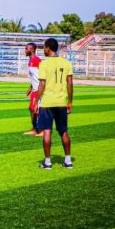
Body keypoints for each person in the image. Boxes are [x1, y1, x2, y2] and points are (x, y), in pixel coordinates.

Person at [36, 38, 73, 169]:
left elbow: (42, 84)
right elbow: (70, 83)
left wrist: (36, 102)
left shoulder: (44, 64)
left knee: (47, 131)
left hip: (47, 102)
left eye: (44, 47)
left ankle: (47, 162)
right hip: (62, 101)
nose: (43, 50)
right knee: (63, 131)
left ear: (48, 48)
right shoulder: (66, 63)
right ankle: (68, 161)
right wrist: (70, 101)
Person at [23, 42, 44, 136]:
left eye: (26, 48)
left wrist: (41, 87)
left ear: (31, 49)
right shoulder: (30, 60)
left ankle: (42, 130)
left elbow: (43, 75)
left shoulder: (37, 60)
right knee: (32, 109)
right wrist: (30, 87)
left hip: (39, 89)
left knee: (36, 109)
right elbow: (34, 76)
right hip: (34, 89)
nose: (25, 50)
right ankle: (35, 128)